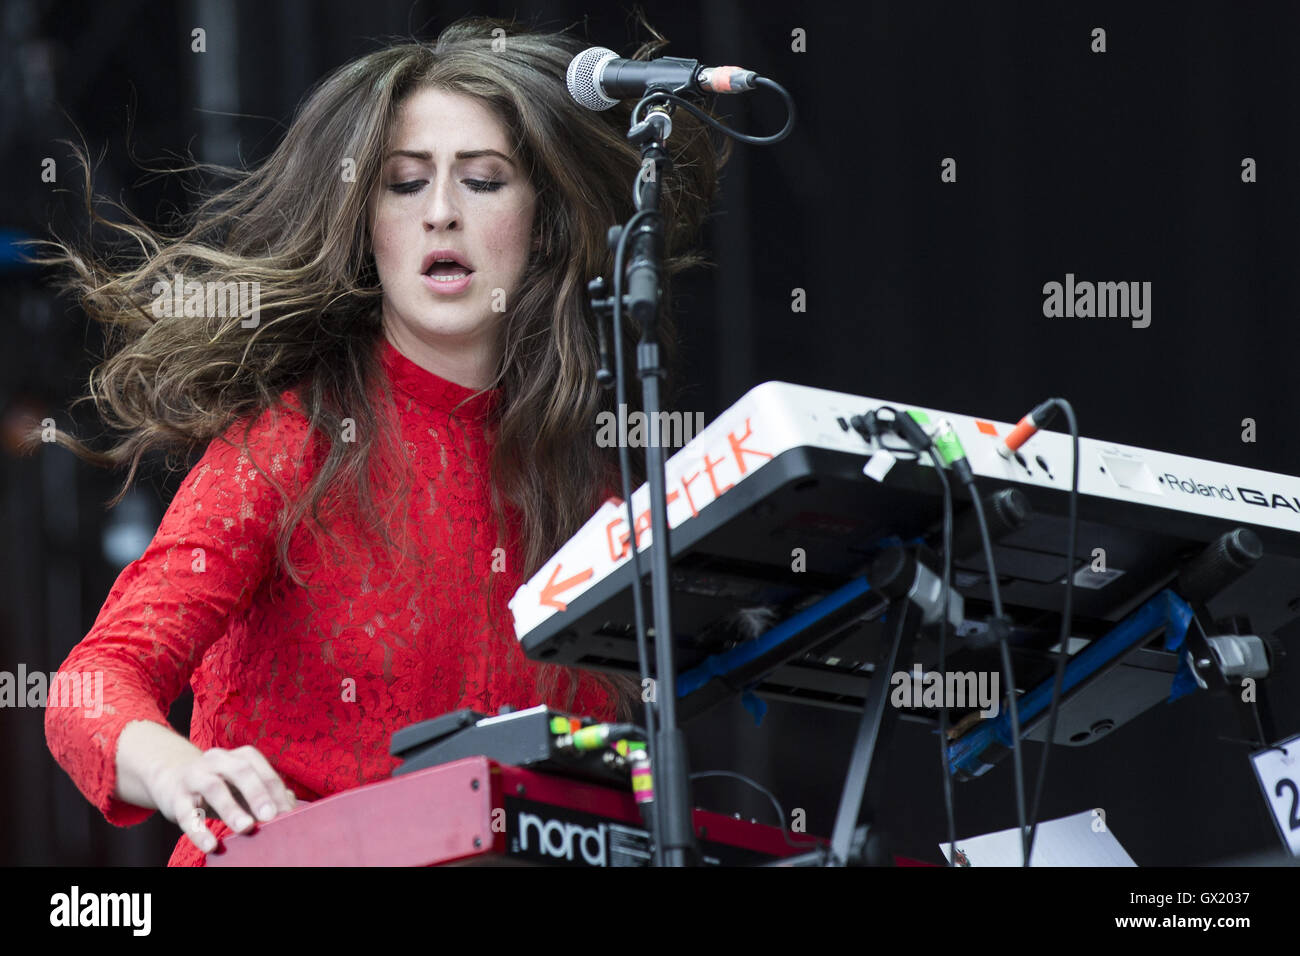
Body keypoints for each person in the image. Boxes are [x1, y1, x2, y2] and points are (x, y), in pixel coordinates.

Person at [32, 15, 728, 866]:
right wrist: (182, 770)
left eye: (481, 181)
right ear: (367, 226)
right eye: (404, 184)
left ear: (540, 225)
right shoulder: (291, 443)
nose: (440, 212)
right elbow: (91, 683)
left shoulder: (596, 494)